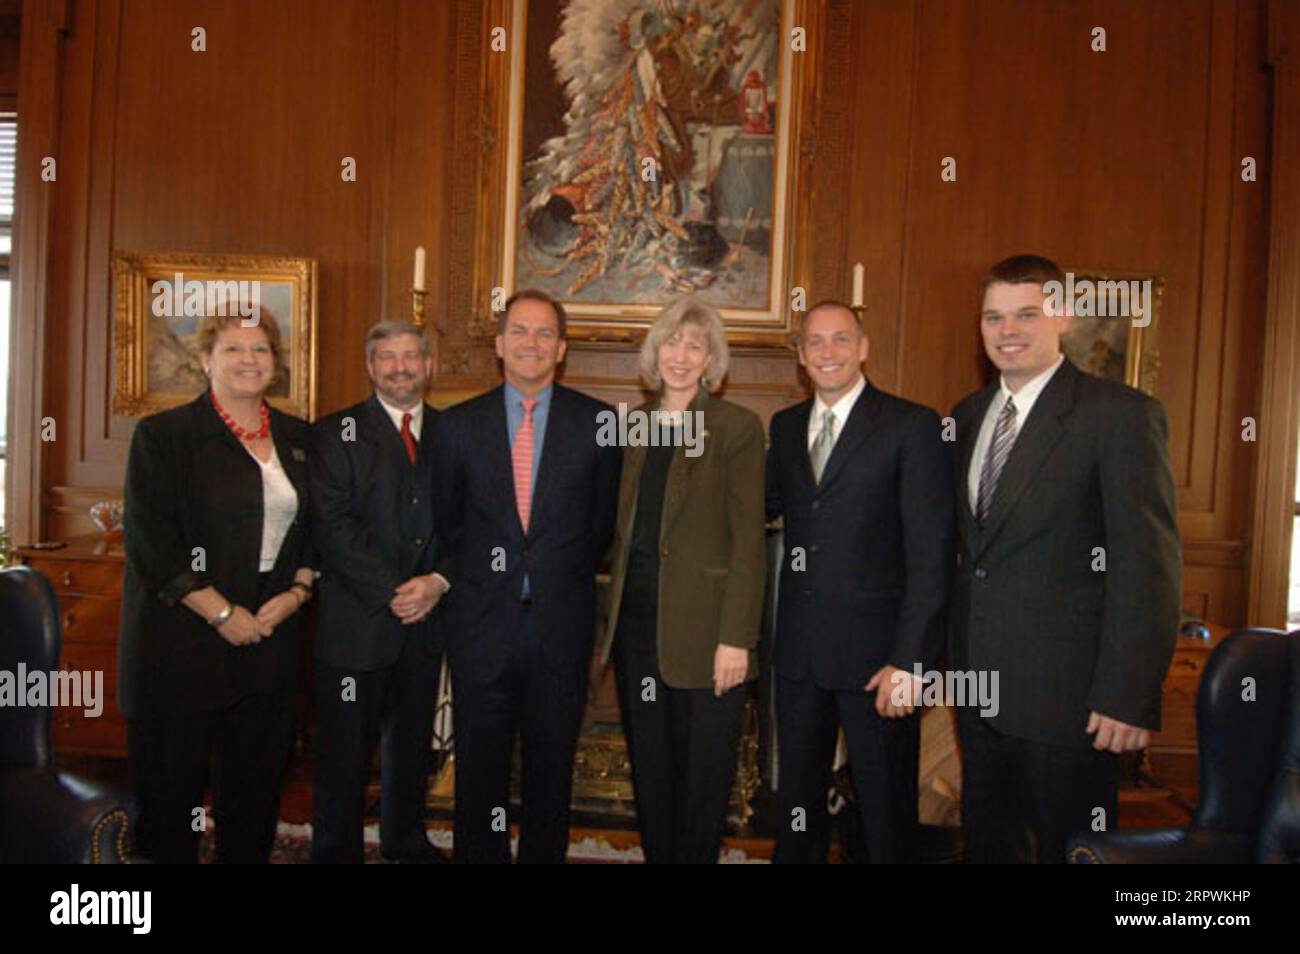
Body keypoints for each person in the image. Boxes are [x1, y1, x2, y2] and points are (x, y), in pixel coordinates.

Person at [950, 254, 1181, 863]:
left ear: (1064, 316)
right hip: (979, 695)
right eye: (993, 317)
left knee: (1071, 853)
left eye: (1027, 313)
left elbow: (1147, 567)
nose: (1008, 330)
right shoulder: (966, 418)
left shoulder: (1120, 416)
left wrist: (1128, 696)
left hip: (1072, 703)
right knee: (988, 849)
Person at [119, 311, 315, 863]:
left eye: (261, 349)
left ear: (275, 364)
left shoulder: (300, 438)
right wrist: (223, 614)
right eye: (233, 349)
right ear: (206, 360)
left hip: (268, 640)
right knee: (170, 804)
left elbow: (316, 531)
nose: (249, 359)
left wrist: (296, 593)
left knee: (253, 799)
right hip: (180, 643)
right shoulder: (165, 436)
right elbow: (152, 544)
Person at [433, 289, 621, 863]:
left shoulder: (599, 422)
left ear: (561, 349)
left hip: (559, 630)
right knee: (480, 773)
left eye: (544, 334)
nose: (531, 343)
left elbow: (602, 527)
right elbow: (448, 525)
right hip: (480, 628)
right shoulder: (458, 425)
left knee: (551, 769)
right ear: (499, 344)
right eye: (519, 331)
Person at [766, 300, 955, 863]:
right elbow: (762, 508)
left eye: (841, 340)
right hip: (800, 655)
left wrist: (912, 663)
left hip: (881, 664)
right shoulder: (786, 426)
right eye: (815, 343)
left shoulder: (911, 426)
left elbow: (931, 556)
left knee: (883, 814)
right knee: (796, 808)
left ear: (864, 348)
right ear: (801, 356)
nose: (828, 352)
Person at [595, 295, 766, 864]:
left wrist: (736, 637)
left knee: (703, 776)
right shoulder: (634, 424)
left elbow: (749, 541)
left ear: (712, 359)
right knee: (651, 769)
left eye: (697, 345)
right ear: (655, 350)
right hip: (637, 628)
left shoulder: (735, 428)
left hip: (707, 631)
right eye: (673, 341)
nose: (682, 355)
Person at [309, 320, 449, 863]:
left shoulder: (451, 433)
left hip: (426, 622)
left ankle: (405, 841)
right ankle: (334, 851)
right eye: (387, 358)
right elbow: (333, 525)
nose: (400, 367)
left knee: (413, 745)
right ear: (370, 368)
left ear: (428, 365)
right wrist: (396, 590)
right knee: (345, 751)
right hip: (356, 623)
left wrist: (436, 583)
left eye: (411, 355)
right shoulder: (334, 433)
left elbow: (466, 521)